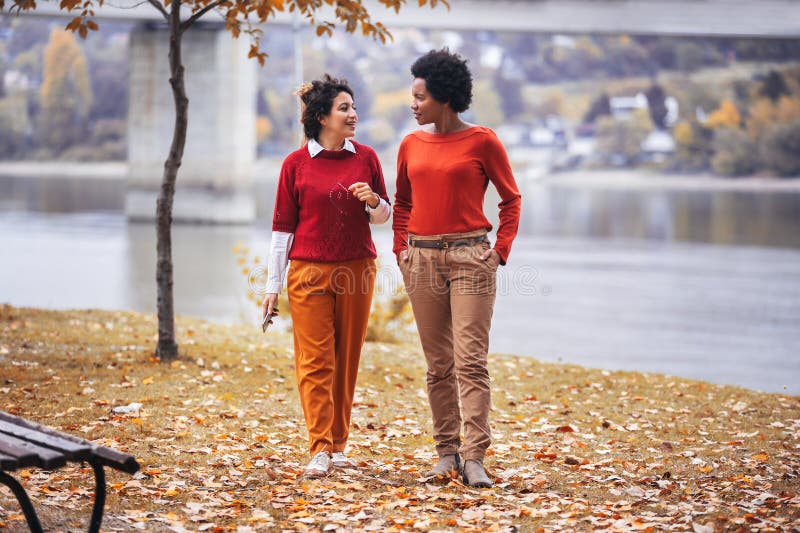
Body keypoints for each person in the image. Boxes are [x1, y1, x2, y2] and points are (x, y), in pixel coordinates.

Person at [392, 49, 522, 488]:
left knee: (470, 362)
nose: (413, 104)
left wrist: (501, 249)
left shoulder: (483, 141)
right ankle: (445, 454)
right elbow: (404, 203)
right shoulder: (410, 144)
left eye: (420, 96)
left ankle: (475, 458)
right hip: (422, 259)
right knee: (437, 365)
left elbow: (510, 199)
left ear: (444, 97)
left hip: (471, 258)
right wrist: (400, 251)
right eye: (412, 96)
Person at [262, 74, 391, 478]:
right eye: (345, 108)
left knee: (345, 359)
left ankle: (337, 445)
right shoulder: (295, 165)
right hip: (308, 274)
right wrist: (272, 287)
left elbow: (385, 216)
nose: (354, 114)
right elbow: (282, 230)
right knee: (316, 362)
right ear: (321, 117)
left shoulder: (367, 157)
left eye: (353, 107)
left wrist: (373, 202)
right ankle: (319, 446)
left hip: (357, 271)